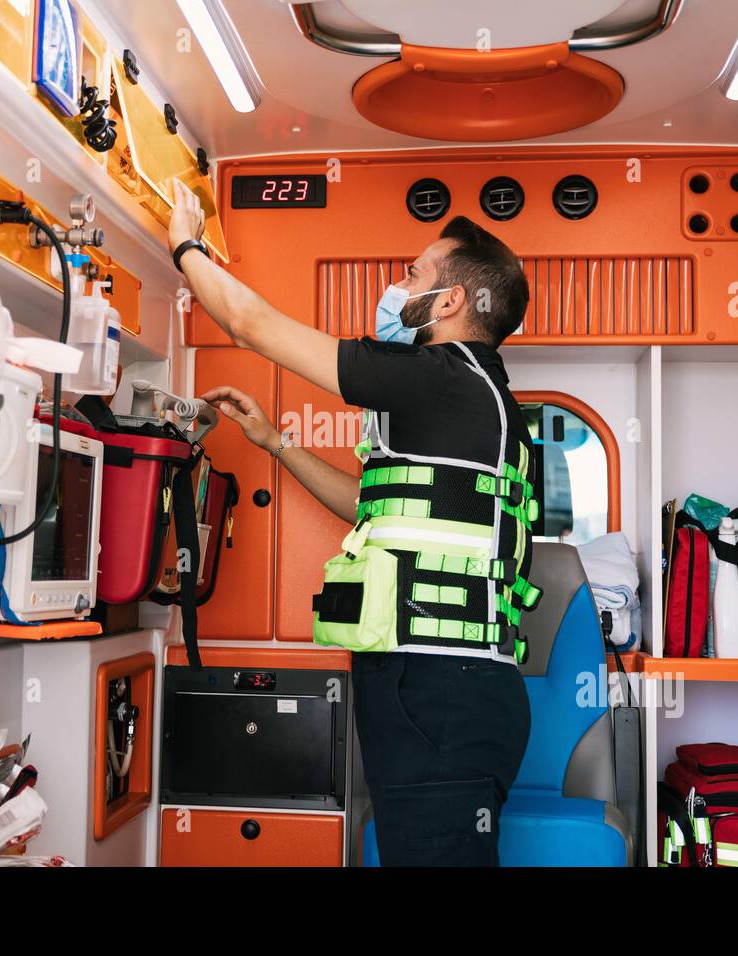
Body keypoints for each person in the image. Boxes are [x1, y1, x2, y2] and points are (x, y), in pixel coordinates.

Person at [166, 178, 535, 866]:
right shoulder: (475, 394)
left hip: (440, 699)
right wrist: (277, 444)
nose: (399, 286)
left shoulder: (440, 376)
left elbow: (251, 325)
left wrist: (185, 244)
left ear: (451, 300)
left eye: (413, 274)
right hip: (447, 694)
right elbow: (375, 504)